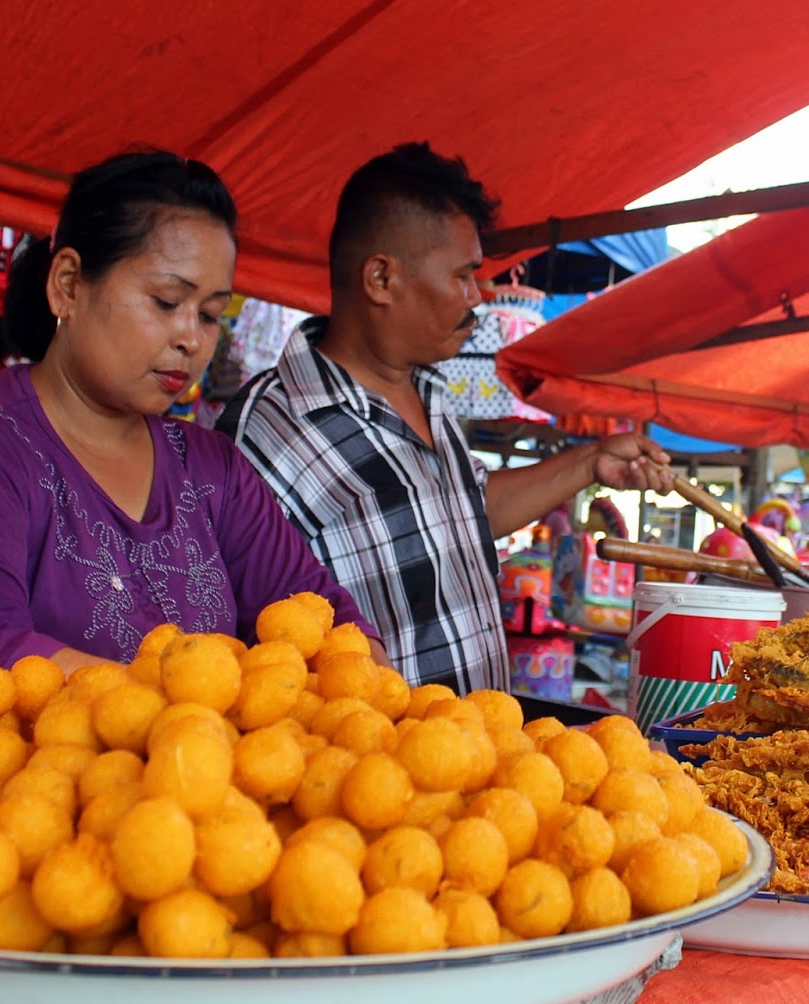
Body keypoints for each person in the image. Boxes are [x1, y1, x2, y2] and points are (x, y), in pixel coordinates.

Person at [0, 152, 381, 750]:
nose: (191, 337)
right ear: (69, 285)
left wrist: (358, 681)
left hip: (186, 817)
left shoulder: (216, 471)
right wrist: (198, 721)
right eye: (165, 301)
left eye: (210, 315)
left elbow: (329, 627)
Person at [219, 143, 672, 695]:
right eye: (463, 276)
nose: (477, 297)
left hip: (479, 753)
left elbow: (468, 511)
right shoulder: (268, 427)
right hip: (365, 769)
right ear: (382, 279)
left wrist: (590, 462)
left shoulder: (432, 395)